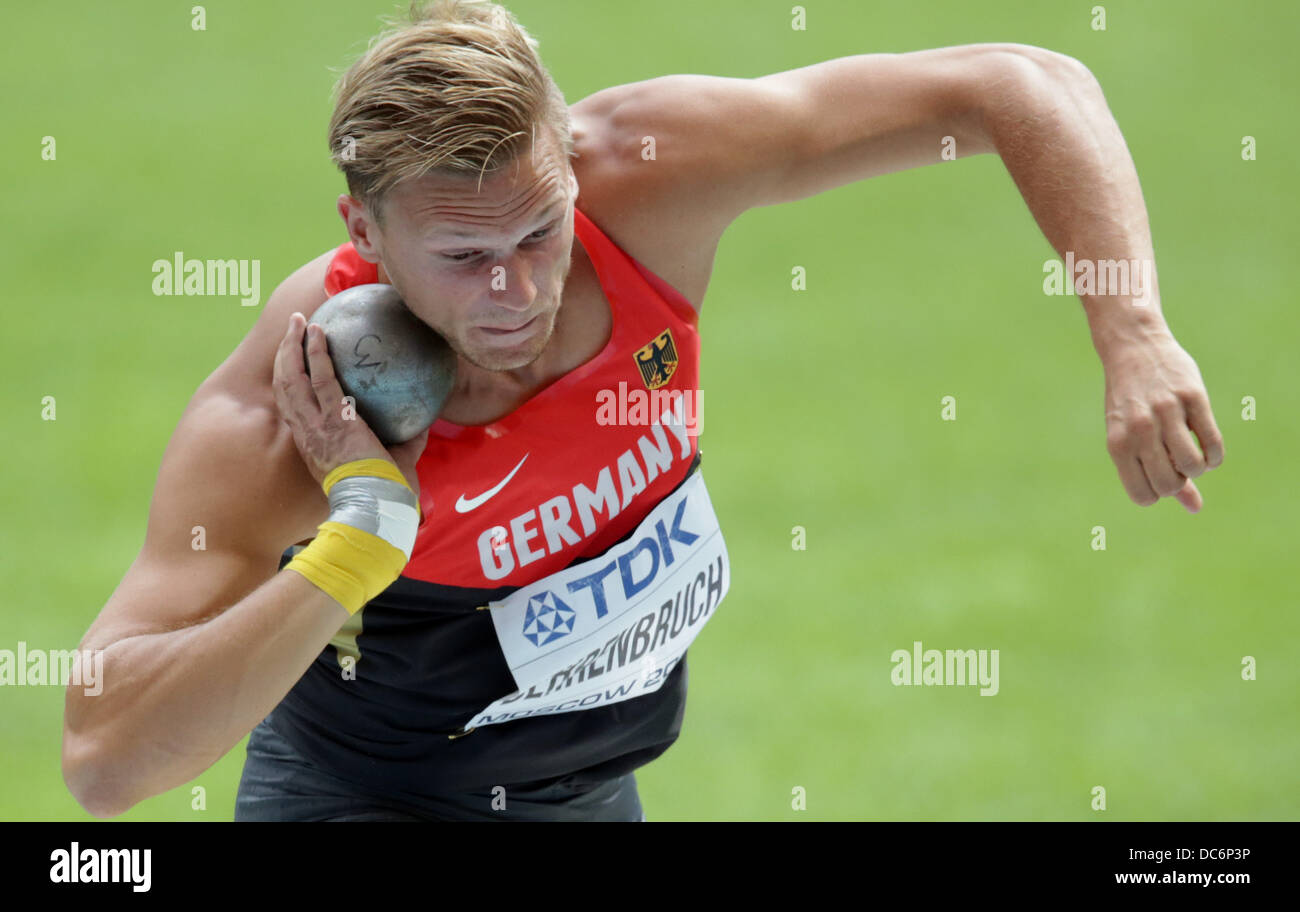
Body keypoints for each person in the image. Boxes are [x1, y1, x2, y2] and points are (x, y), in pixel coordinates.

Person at [62, 0, 1224, 821]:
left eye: (537, 231)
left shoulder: (641, 178)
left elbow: (1020, 83)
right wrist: (354, 541)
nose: (516, 289)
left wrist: (1130, 332)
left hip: (591, 790)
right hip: (373, 800)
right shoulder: (304, 403)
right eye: (463, 256)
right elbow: (104, 760)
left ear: (567, 165)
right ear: (362, 234)